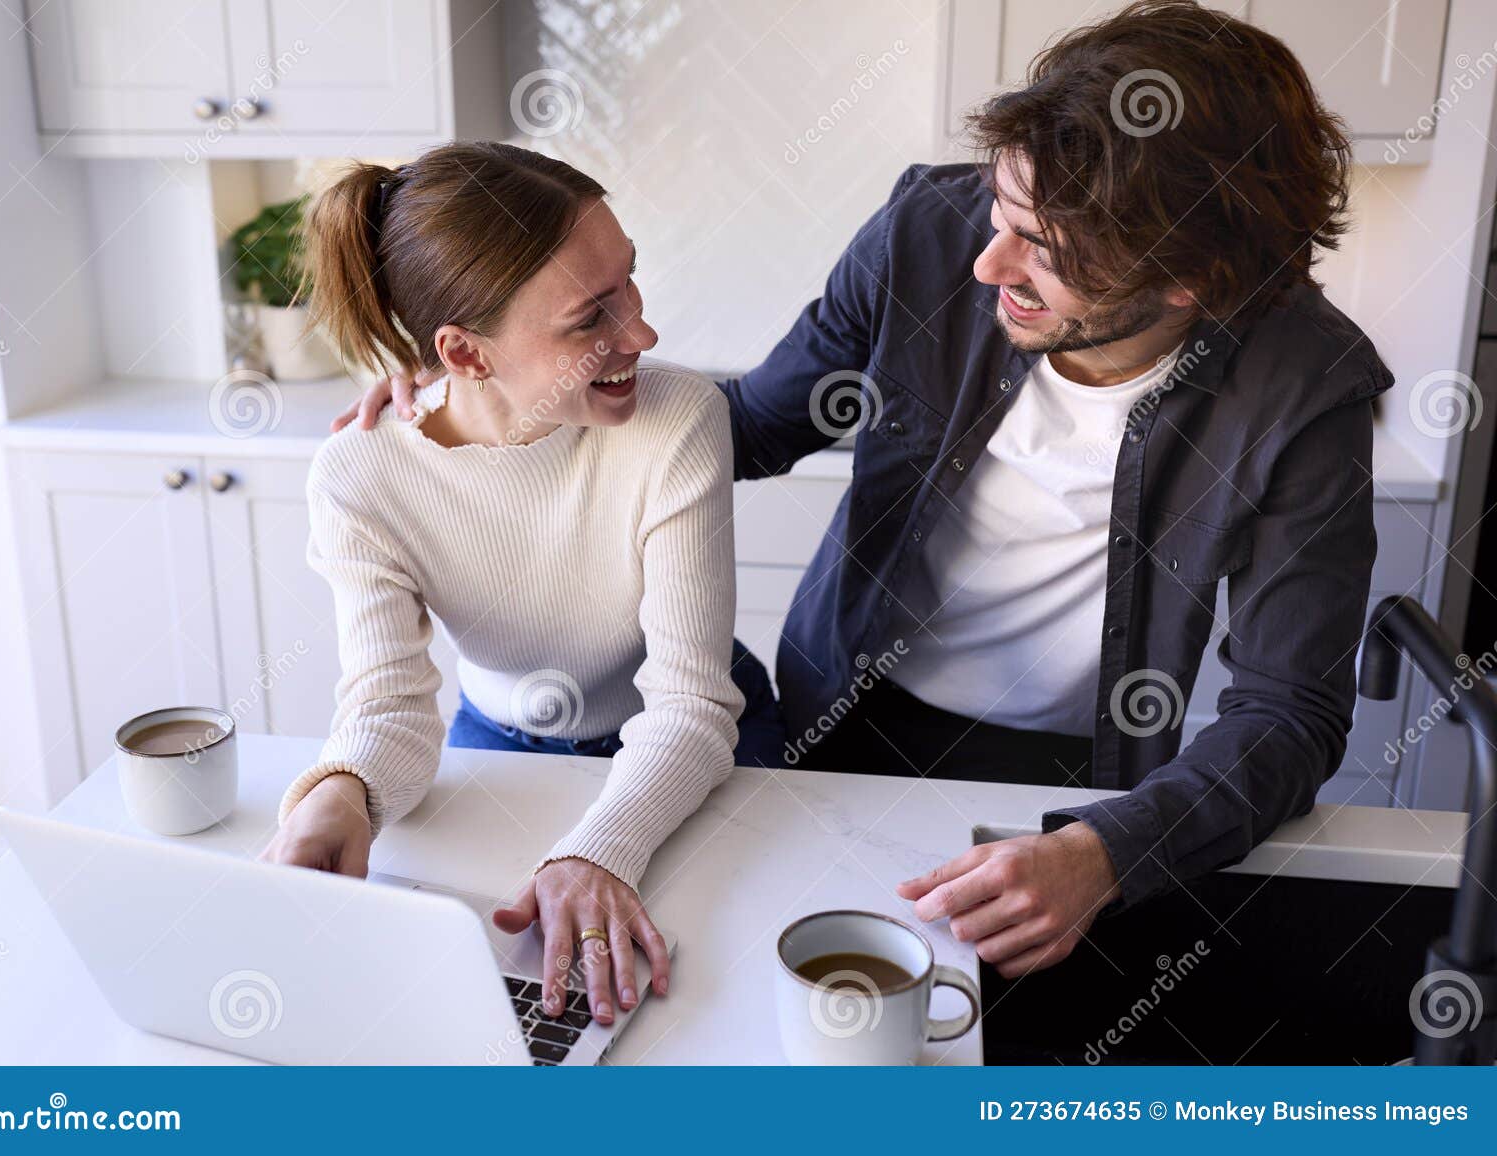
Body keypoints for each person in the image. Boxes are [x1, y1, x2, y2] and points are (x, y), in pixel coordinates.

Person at [339, 2, 1393, 978]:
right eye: (1001, 206)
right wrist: (485, 404)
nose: (986, 264)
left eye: (1044, 250)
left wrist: (1107, 851)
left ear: (1188, 282)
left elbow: (1289, 712)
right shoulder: (927, 237)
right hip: (841, 716)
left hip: (1069, 771)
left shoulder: (1307, 391)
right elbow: (749, 424)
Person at [264, 141, 785, 1027]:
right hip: (498, 744)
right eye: (590, 319)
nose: (642, 334)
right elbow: (388, 708)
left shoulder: (678, 418)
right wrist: (338, 792)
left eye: (630, 283)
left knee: (717, 1010)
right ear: (463, 353)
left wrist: (600, 850)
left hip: (696, 741)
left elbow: (694, 705)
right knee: (509, 1017)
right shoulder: (360, 475)